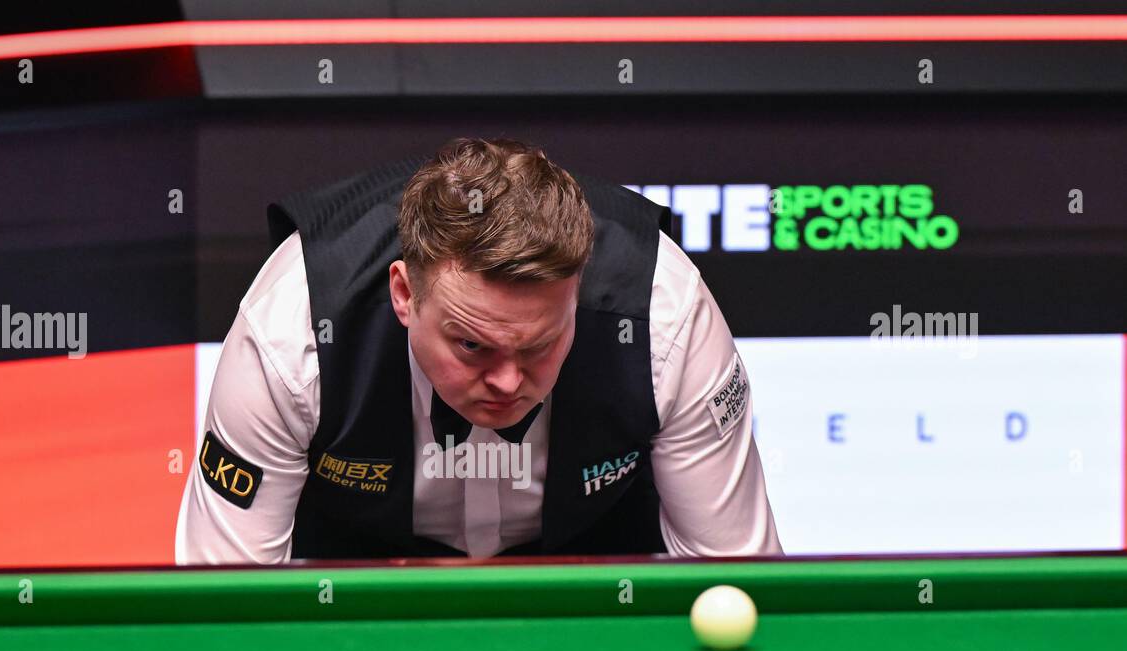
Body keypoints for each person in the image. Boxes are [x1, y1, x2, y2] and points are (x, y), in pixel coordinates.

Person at [177, 138, 782, 562]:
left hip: (595, 588)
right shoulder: (296, 326)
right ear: (405, 293)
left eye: (541, 345)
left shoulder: (663, 315)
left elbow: (730, 574)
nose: (506, 382)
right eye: (471, 345)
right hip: (351, 587)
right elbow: (227, 592)